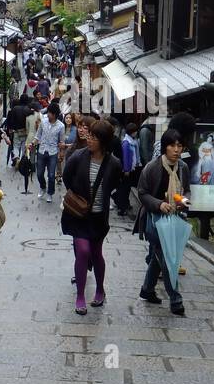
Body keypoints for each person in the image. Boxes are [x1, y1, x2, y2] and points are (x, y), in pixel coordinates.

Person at [60, 118, 122, 315]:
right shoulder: (78, 157)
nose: (89, 139)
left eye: (94, 137)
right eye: (90, 135)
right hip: (78, 215)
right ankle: (80, 295)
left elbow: (114, 184)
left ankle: (100, 289)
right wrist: (77, 198)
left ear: (103, 141)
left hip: (98, 217)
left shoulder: (113, 163)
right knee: (83, 250)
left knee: (96, 253)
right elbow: (66, 177)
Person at [135, 128, 188, 316]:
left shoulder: (183, 167)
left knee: (158, 257)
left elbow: (186, 190)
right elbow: (142, 193)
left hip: (174, 219)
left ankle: (147, 290)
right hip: (154, 220)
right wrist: (159, 204)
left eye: (179, 145)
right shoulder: (152, 167)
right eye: (172, 145)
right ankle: (176, 300)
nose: (176, 149)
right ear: (165, 147)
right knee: (168, 258)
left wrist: (183, 201)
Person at [33, 101, 64, 203]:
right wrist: (32, 143)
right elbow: (38, 135)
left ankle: (50, 193)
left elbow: (61, 141)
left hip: (53, 152)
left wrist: (61, 153)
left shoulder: (61, 126)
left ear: (54, 114)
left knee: (51, 175)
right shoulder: (43, 122)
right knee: (39, 174)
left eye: (49, 112)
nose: (48, 114)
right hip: (42, 150)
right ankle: (43, 187)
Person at [115, 120, 140, 217]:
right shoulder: (126, 143)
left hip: (131, 169)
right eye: (135, 131)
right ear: (131, 132)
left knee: (127, 189)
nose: (136, 132)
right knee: (124, 189)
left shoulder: (133, 141)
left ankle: (124, 205)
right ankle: (122, 207)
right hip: (127, 170)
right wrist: (126, 169)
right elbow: (125, 158)